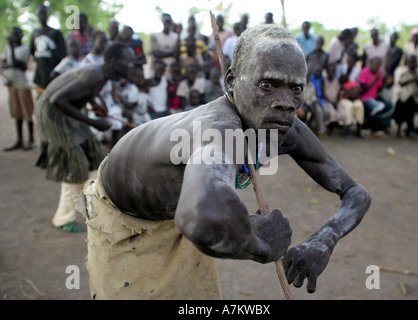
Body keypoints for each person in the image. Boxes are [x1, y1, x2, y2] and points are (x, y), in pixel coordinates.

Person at [77, 24, 371, 300]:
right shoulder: (217, 130)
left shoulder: (286, 129)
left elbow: (357, 194)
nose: (285, 102)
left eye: (295, 88)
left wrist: (323, 241)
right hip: (124, 219)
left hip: (177, 214)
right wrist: (257, 242)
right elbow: (202, 220)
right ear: (231, 81)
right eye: (268, 85)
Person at [35, 42, 134, 233]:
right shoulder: (96, 73)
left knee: (95, 154)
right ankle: (63, 218)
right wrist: (93, 123)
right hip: (53, 114)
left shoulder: (103, 74)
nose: (132, 66)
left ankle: (92, 206)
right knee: (75, 163)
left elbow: (86, 93)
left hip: (66, 111)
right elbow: (58, 100)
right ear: (114, 62)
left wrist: (97, 106)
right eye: (128, 62)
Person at [1, 27, 35, 151]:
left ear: (21, 36)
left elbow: (19, 65)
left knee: (27, 111)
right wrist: (9, 61)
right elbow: (3, 63)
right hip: (11, 84)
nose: (14, 37)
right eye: (13, 35)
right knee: (17, 112)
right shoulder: (7, 49)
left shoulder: (24, 49)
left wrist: (11, 48)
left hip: (22, 84)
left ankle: (31, 139)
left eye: (16, 35)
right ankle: (19, 140)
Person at [29, 4, 67, 90]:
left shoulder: (56, 33)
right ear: (37, 15)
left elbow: (63, 54)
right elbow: (32, 52)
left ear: (48, 15)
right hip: (40, 77)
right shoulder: (35, 33)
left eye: (44, 13)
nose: (42, 16)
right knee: (40, 101)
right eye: (40, 13)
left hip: (54, 76)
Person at [359, 57, 394, 137]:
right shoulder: (364, 72)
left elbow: (379, 88)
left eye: (378, 65)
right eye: (375, 64)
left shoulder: (379, 73)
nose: (376, 66)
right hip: (365, 98)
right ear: (370, 63)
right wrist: (375, 79)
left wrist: (387, 83)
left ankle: (380, 127)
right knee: (378, 107)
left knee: (389, 106)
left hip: (375, 98)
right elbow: (363, 89)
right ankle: (368, 126)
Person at [393, 55, 418, 137]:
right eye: (410, 62)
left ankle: (409, 130)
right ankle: (398, 129)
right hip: (404, 96)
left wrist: (416, 79)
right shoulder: (404, 73)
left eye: (413, 62)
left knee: (411, 111)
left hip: (414, 97)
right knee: (400, 108)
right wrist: (411, 79)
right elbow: (401, 83)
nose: (411, 64)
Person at [148, 13, 180, 79]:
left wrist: (162, 53)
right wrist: (171, 53)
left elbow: (177, 54)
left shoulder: (176, 37)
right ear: (162, 22)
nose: (167, 23)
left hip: (170, 71)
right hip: (156, 70)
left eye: (169, 21)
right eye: (166, 21)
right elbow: (155, 53)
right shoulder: (154, 36)